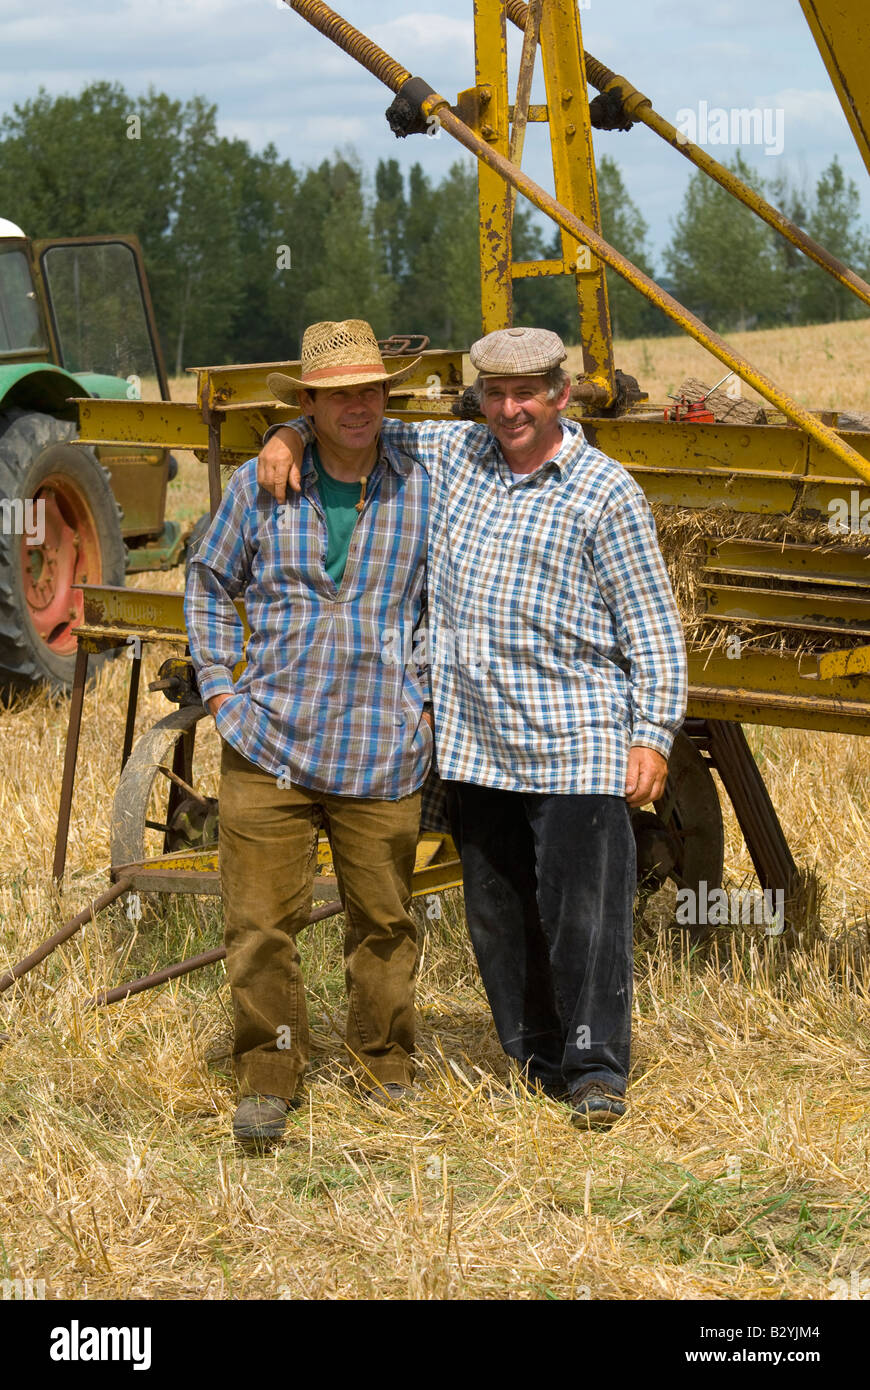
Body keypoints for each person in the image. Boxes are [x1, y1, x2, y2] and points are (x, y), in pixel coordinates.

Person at [259, 325, 687, 1126]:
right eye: (494, 392)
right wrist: (283, 432)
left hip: (576, 739)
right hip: (477, 746)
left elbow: (653, 627)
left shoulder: (604, 490)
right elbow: (352, 421)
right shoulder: (454, 457)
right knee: (497, 918)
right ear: (478, 397)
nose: (510, 407)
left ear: (560, 394)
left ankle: (595, 1073)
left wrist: (651, 734)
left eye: (526, 392)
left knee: (584, 919)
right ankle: (533, 1061)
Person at [185, 319, 433, 1146]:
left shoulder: (427, 475)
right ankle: (268, 1074)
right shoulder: (260, 487)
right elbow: (210, 580)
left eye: (370, 390)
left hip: (380, 745)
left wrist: (426, 701)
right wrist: (220, 691)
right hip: (269, 742)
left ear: (387, 396)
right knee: (259, 927)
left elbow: (515, 421)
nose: (357, 406)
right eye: (335, 395)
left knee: (385, 924)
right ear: (312, 402)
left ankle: (383, 1065)